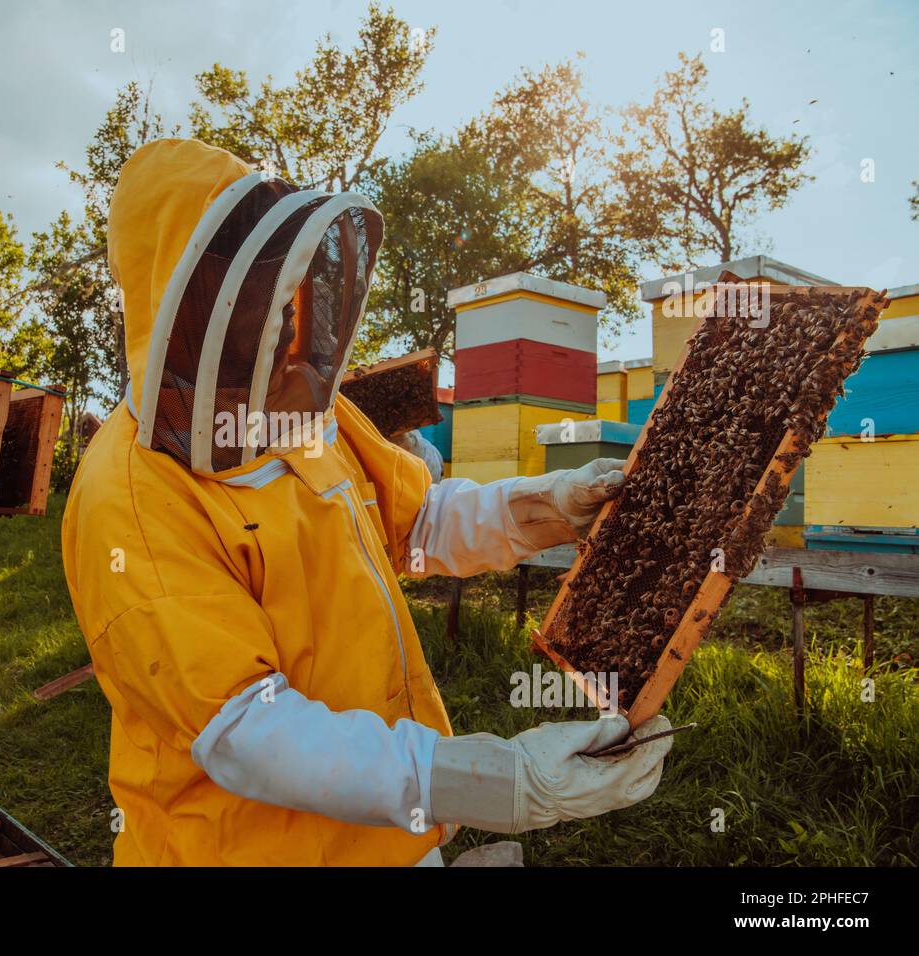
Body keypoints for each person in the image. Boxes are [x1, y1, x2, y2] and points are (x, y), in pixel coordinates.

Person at [62, 138, 673, 866]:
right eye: (255, 307)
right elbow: (245, 732)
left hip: (390, 835)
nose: (282, 329)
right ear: (185, 309)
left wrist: (547, 505)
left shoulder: (303, 410)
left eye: (280, 302)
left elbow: (421, 523)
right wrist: (500, 783)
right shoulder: (128, 496)